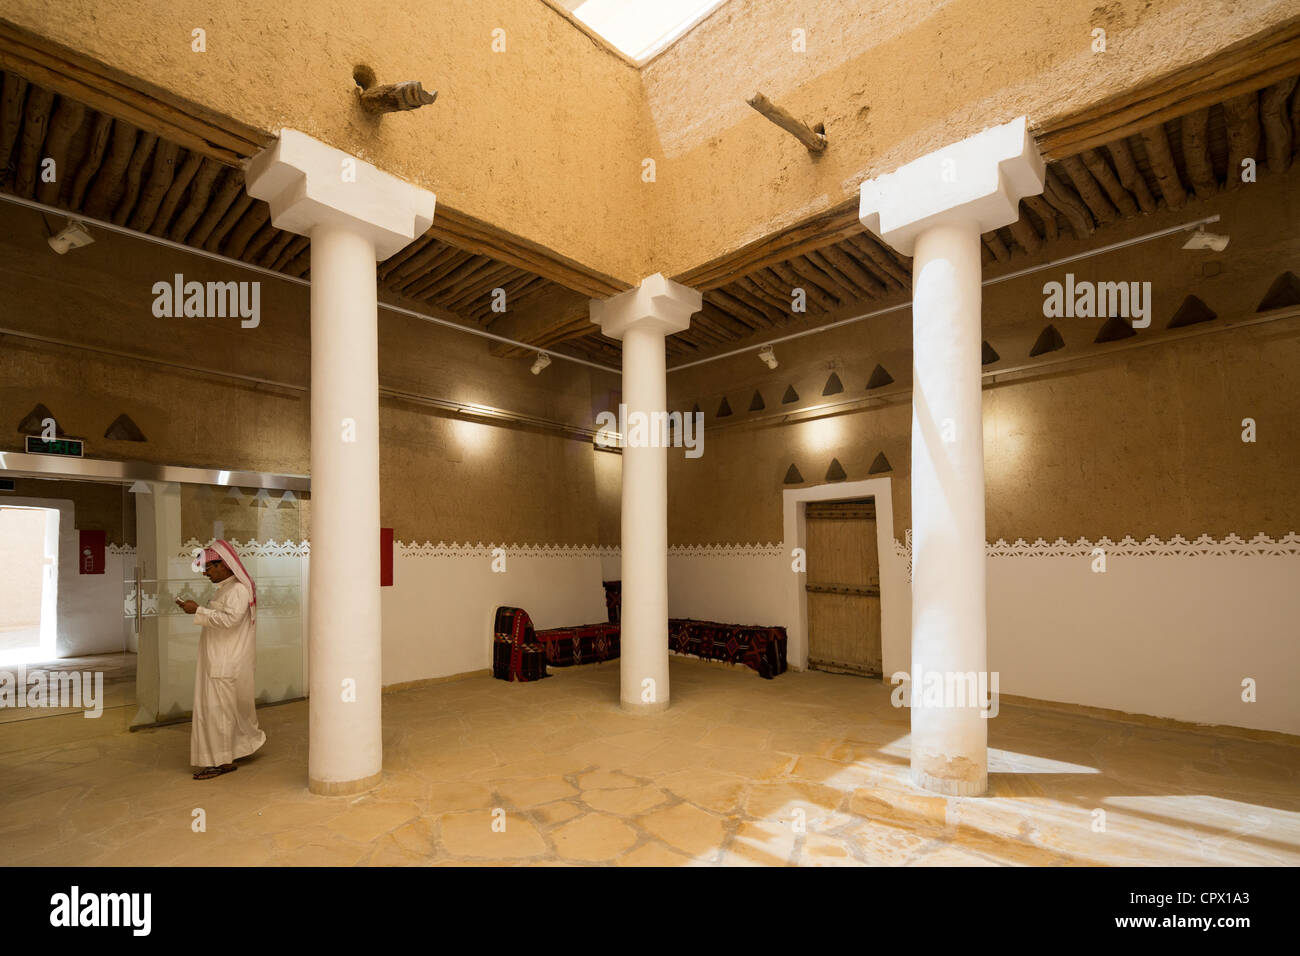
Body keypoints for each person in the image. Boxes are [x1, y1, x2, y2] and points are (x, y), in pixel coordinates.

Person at [175, 540, 266, 780]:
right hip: (218, 660)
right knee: (221, 712)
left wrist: (198, 610)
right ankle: (227, 755)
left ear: (224, 565)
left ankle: (219, 761)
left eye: (209, 567)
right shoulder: (226, 588)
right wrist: (198, 610)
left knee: (218, 714)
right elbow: (222, 617)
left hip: (225, 663)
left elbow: (229, 621)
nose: (205, 572)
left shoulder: (238, 590)